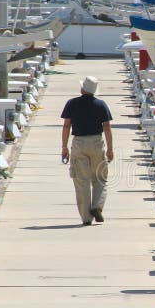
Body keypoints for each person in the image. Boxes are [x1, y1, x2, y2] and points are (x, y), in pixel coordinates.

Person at [61, 76, 114, 225]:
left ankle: (86, 217)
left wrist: (64, 146)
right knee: (100, 178)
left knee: (81, 181)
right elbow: (107, 127)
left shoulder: (72, 103)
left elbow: (66, 126)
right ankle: (97, 206)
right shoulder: (101, 104)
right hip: (97, 142)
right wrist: (110, 149)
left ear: (82, 89)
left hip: (79, 142)